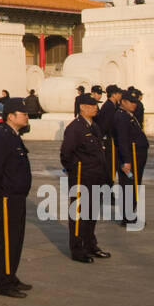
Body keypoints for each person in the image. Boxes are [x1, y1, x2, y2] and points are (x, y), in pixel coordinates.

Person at [0, 98, 32, 296]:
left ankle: (11, 276)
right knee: (7, 240)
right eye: (24, 114)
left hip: (17, 196)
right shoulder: (3, 137)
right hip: (7, 197)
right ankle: (4, 283)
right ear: (11, 117)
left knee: (16, 239)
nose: (27, 116)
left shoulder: (13, 135)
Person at [59, 95, 109, 262]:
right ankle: (78, 249)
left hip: (96, 177)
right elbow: (66, 154)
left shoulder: (94, 126)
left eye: (96, 105)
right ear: (82, 107)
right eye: (92, 105)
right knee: (78, 214)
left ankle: (90, 245)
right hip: (82, 178)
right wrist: (75, 171)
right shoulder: (75, 128)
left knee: (91, 214)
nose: (95, 107)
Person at [112, 88, 147, 223]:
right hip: (130, 157)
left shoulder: (128, 115)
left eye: (135, 102)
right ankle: (128, 216)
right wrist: (126, 160)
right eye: (131, 102)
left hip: (137, 155)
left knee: (133, 185)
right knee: (129, 186)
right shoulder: (121, 116)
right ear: (123, 102)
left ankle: (130, 214)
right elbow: (122, 140)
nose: (134, 104)